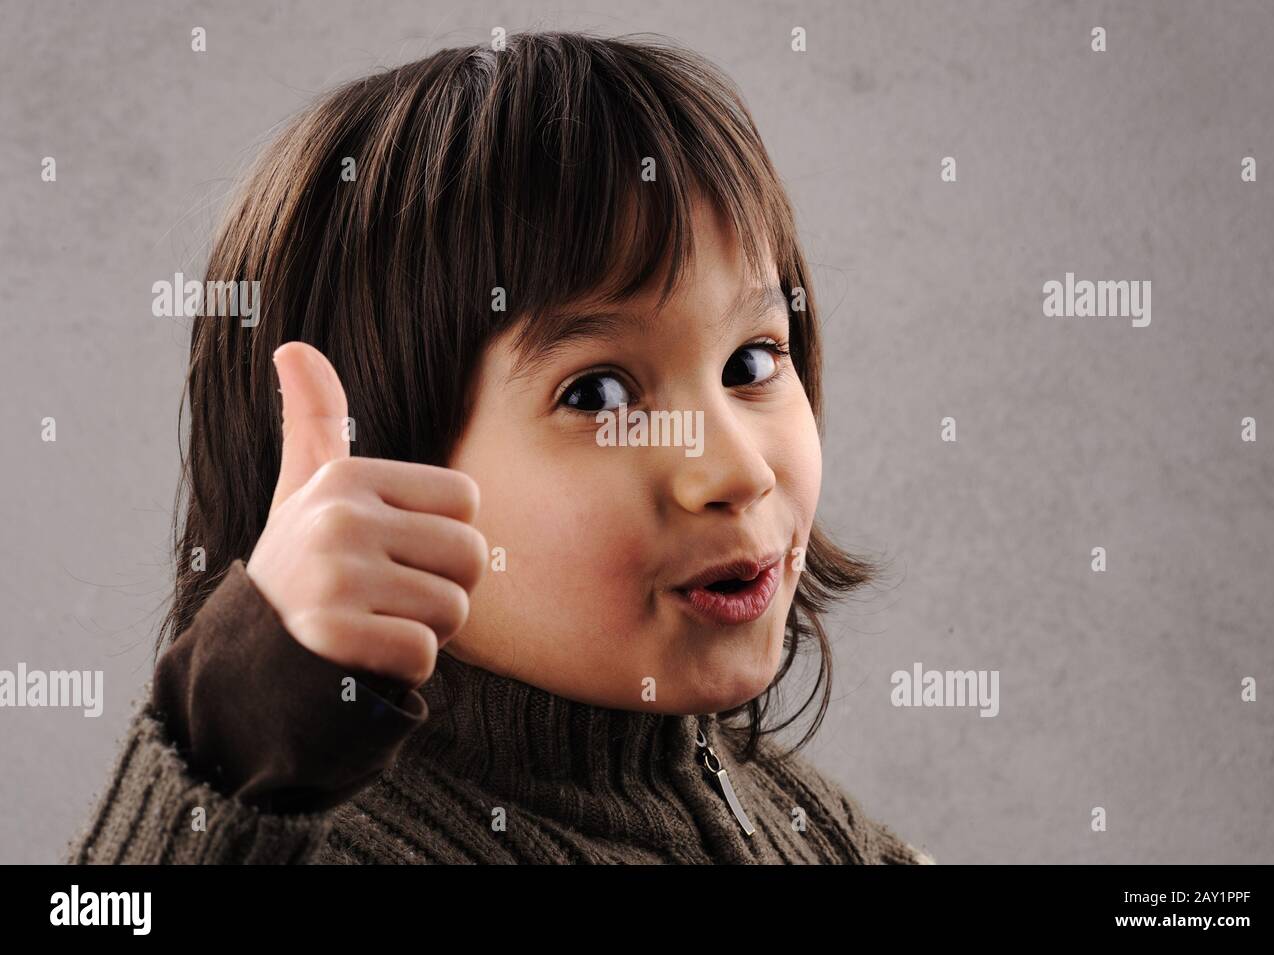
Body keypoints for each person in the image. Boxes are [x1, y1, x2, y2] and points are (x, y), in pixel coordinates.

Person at [63, 30, 934, 865]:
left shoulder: (812, 825)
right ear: (376, 479)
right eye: (598, 393)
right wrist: (230, 747)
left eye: (752, 362)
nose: (739, 470)